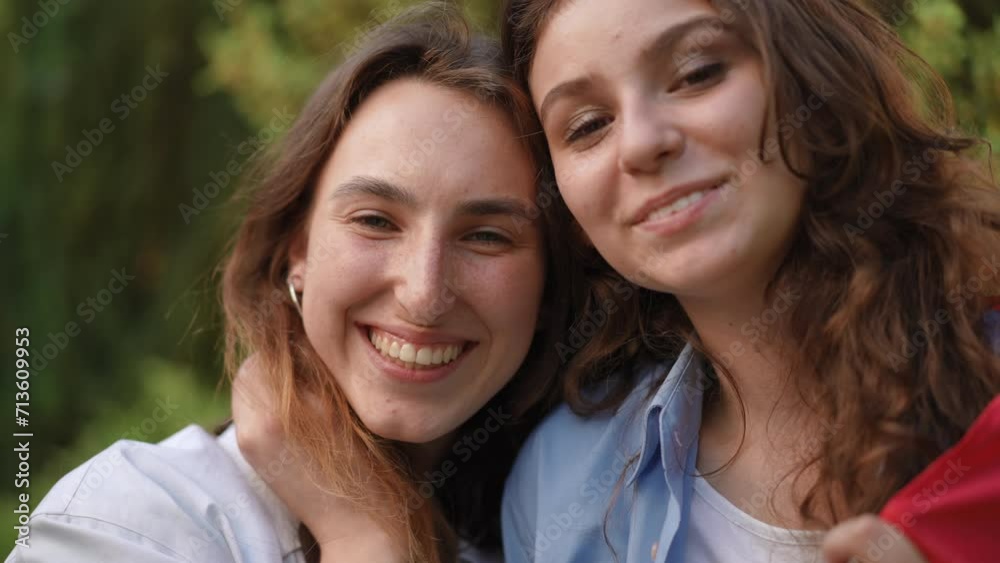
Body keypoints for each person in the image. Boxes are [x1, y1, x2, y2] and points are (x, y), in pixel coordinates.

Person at [6, 4, 573, 563]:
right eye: (375, 221)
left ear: (548, 281)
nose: (423, 294)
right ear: (296, 248)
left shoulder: (577, 530)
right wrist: (369, 541)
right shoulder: (131, 521)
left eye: (487, 237)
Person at [499, 0, 1000, 562]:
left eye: (697, 73)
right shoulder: (555, 487)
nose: (641, 143)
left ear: (813, 75)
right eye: (588, 125)